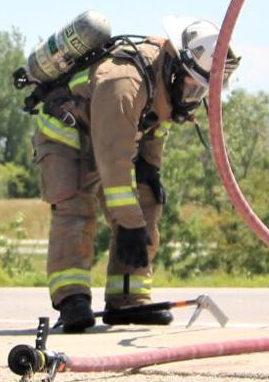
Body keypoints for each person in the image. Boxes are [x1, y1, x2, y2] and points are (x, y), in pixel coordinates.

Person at [31, 17, 240, 332]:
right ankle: (72, 299)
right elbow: (113, 162)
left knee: (146, 199)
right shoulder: (123, 83)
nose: (194, 97)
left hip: (112, 137)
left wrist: (150, 171)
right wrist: (130, 225)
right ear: (176, 69)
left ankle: (127, 299)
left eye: (202, 91)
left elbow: (154, 127)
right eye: (193, 86)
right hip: (68, 136)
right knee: (75, 210)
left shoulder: (166, 84)